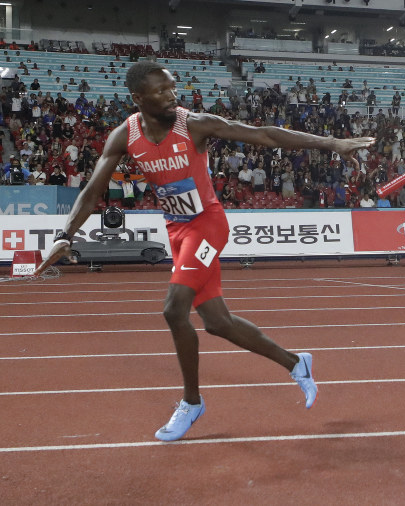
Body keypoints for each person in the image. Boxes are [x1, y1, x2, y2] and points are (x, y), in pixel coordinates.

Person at [34, 61, 375, 442]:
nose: (171, 95)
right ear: (138, 98)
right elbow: (93, 189)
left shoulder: (194, 124)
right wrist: (66, 233)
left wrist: (331, 143)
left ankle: (191, 402)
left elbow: (265, 135)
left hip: (208, 224)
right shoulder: (125, 135)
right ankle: (296, 362)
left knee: (173, 308)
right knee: (217, 322)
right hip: (177, 231)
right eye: (160, 91)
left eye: (172, 88)